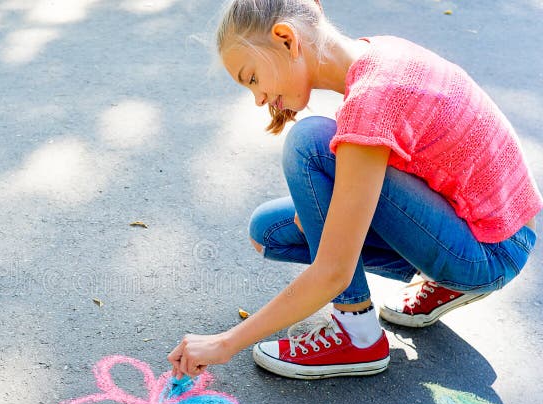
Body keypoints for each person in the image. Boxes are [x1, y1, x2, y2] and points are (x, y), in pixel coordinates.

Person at [167, 0, 541, 380]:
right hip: (485, 225)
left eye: (251, 79)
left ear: (285, 39)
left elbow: (333, 272)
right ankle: (442, 279)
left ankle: (356, 334)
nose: (259, 98)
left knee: (310, 143)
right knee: (270, 232)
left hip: (490, 250)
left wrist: (224, 343)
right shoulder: (377, 54)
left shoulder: (373, 99)